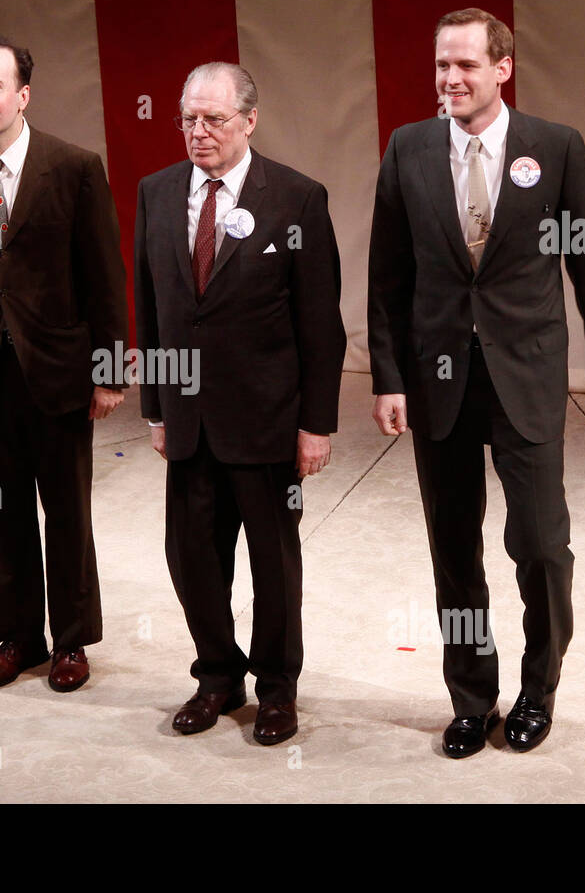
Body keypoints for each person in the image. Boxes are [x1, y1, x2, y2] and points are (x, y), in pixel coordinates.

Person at [368, 8, 585, 758]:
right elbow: (388, 275)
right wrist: (389, 376)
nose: (450, 79)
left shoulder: (555, 147)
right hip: (438, 379)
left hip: (529, 375)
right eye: (442, 66)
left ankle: (538, 688)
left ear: (502, 69)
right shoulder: (407, 148)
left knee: (542, 545)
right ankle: (470, 696)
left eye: (466, 67)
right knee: (454, 550)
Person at [135, 62, 345, 746]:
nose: (198, 132)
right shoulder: (156, 193)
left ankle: (277, 689)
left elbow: (320, 324)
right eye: (188, 119)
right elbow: (154, 307)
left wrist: (316, 424)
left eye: (213, 120)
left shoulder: (296, 198)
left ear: (248, 121)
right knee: (190, 556)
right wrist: (158, 409)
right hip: (190, 420)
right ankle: (216, 677)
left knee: (272, 562)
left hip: (267, 421)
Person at [0, 32, 127, 694]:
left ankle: (70, 642)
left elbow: (104, 277)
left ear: (23, 95)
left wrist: (109, 370)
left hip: (59, 371)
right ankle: (15, 638)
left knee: (66, 511)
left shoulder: (73, 166)